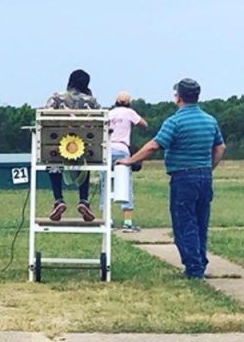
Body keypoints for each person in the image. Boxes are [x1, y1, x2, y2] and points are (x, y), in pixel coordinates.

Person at [117, 78, 226, 279]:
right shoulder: (210, 120)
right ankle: (200, 261)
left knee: (184, 223)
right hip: (204, 176)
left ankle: (194, 269)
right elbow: (220, 147)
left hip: (183, 177)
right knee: (201, 222)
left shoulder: (175, 121)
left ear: (179, 97)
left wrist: (130, 160)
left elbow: (154, 145)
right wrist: (210, 167)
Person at [44, 69, 100, 221]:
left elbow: (44, 118)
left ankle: (58, 200)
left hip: (57, 149)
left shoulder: (56, 98)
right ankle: (84, 200)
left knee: (52, 162)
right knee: (85, 163)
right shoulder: (91, 101)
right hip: (84, 150)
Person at [101, 91, 148, 232]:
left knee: (106, 185)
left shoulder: (109, 113)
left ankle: (107, 220)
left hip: (107, 150)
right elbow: (144, 124)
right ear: (129, 102)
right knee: (125, 185)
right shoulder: (129, 113)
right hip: (122, 149)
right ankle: (127, 222)